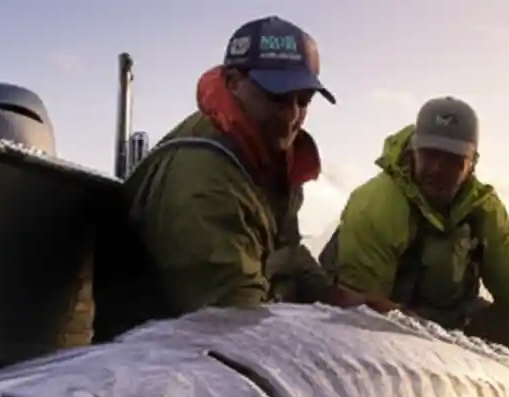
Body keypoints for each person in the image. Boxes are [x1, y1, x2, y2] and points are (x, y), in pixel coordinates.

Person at [93, 15, 381, 341]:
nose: (291, 117)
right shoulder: (200, 177)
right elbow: (237, 326)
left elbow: (288, 253)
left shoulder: (270, 159)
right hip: (160, 369)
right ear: (233, 81)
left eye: (303, 101)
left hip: (230, 346)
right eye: (277, 97)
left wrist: (345, 303)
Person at [318, 96, 509, 364]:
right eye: (429, 155)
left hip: (437, 322)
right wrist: (422, 337)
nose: (436, 168)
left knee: (497, 329)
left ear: (472, 162)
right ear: (413, 150)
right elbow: (360, 311)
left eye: (452, 160)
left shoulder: (484, 210)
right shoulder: (377, 203)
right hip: (378, 318)